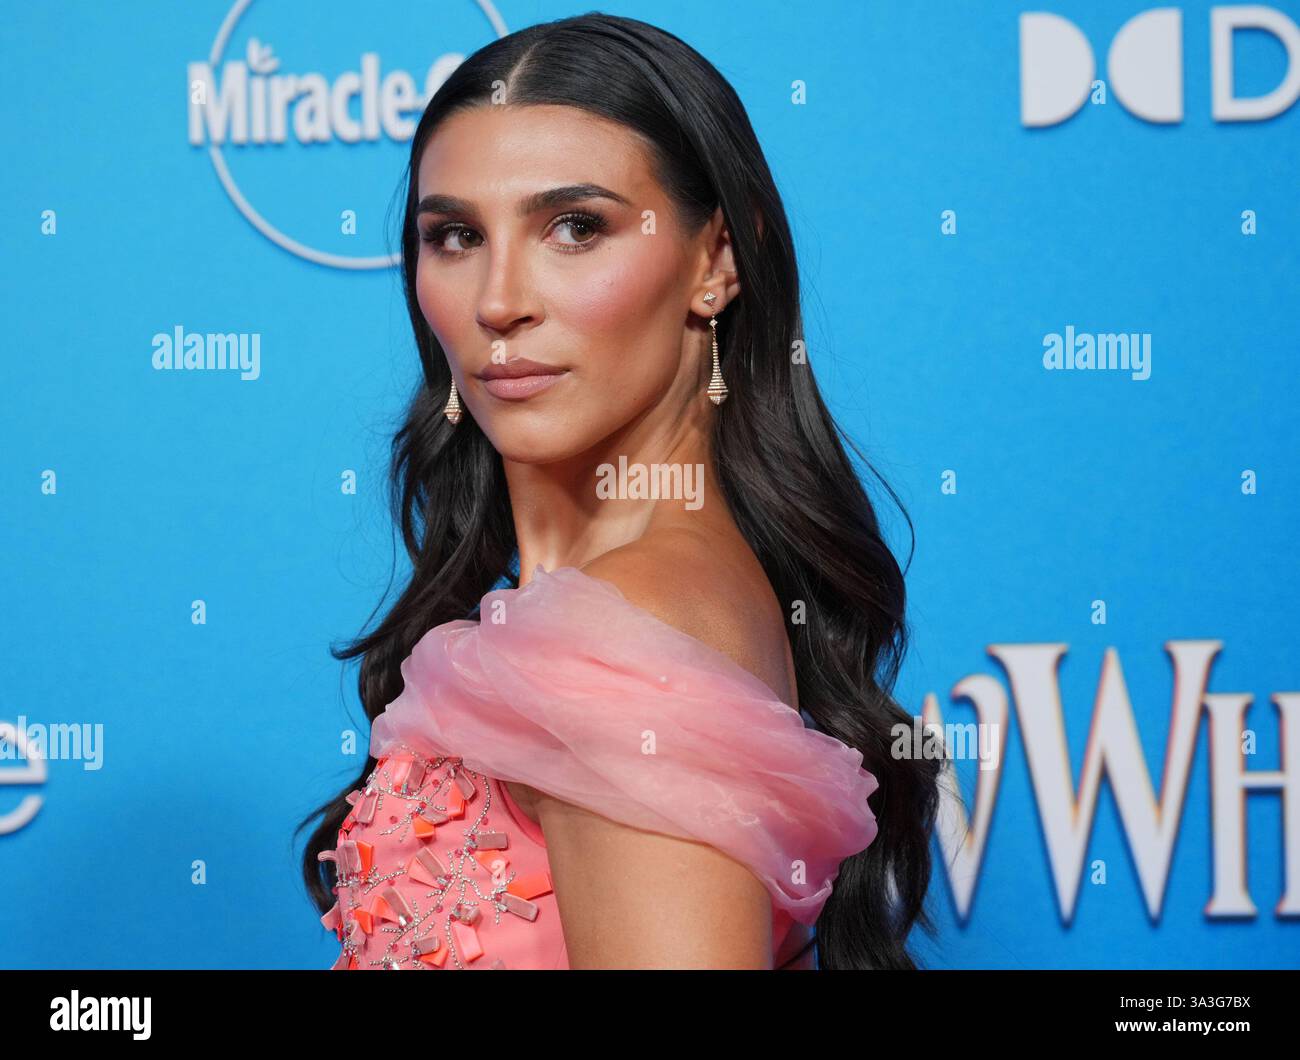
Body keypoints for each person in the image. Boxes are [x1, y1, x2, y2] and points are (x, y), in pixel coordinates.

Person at [297, 12, 941, 970]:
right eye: (457, 235)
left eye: (575, 227)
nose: (498, 302)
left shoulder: (631, 622)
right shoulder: (658, 594)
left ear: (717, 260)